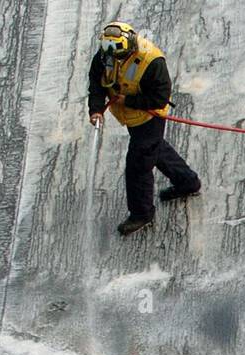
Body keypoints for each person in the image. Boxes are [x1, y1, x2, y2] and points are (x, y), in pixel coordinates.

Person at [87, 21, 201, 236]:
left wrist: (127, 101)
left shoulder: (151, 61)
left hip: (149, 117)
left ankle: (141, 214)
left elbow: (159, 98)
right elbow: (96, 81)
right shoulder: (106, 54)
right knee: (154, 149)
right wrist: (96, 109)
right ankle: (187, 182)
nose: (114, 58)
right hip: (130, 116)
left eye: (119, 55)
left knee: (139, 164)